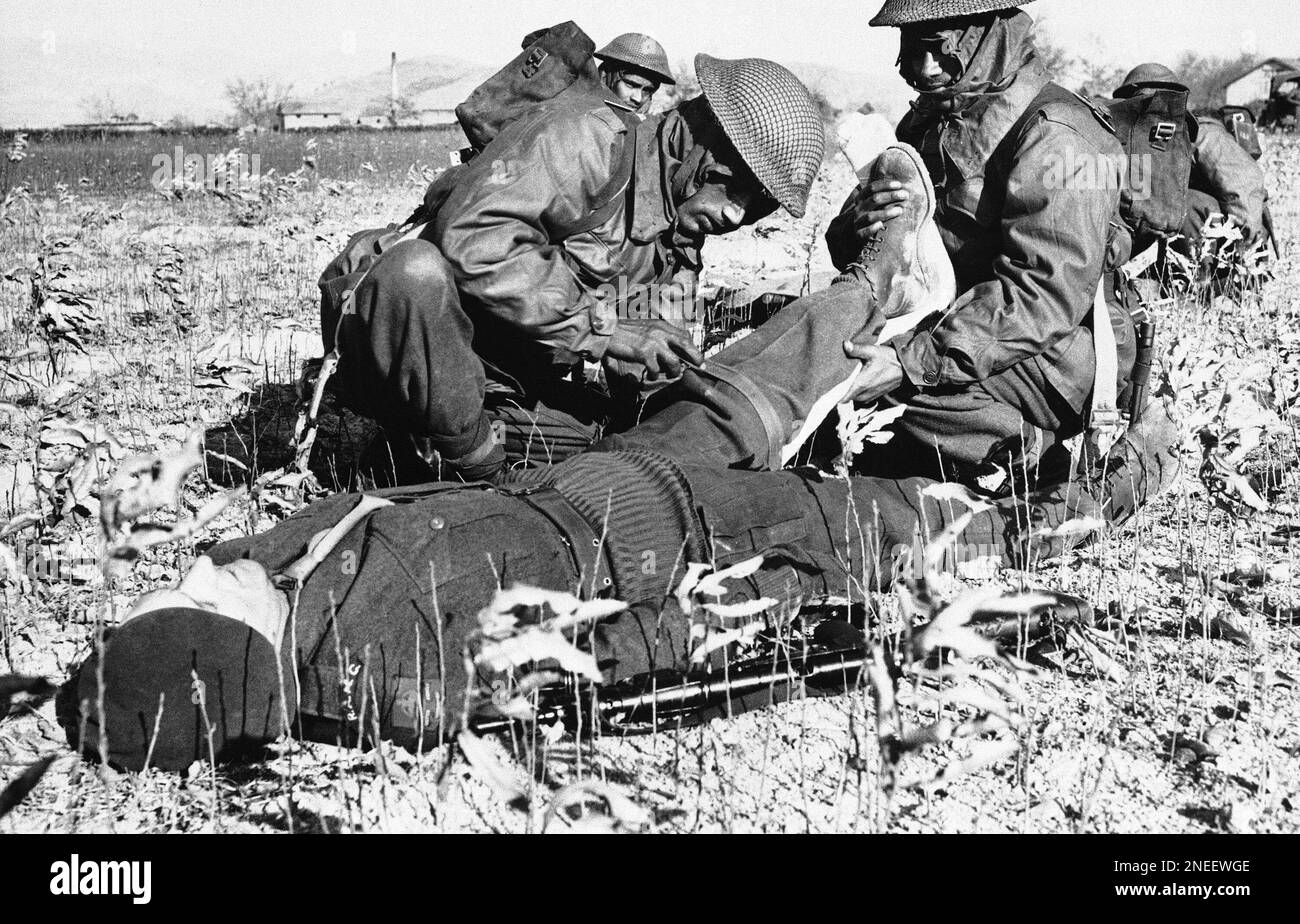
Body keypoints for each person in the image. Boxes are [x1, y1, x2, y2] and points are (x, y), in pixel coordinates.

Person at [67, 393, 1178, 773]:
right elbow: (583, 656)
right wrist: (744, 611)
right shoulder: (385, 673)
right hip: (662, 536)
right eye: (197, 599)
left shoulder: (265, 574)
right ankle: (1060, 522)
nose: (205, 577)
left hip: (612, 486)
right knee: (866, 523)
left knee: (836, 484)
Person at [607, 0, 1138, 484]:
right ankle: (661, 457)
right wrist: (859, 222)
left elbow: (1041, 297)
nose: (924, 66)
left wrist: (912, 363)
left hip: (1048, 359)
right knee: (801, 351)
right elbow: (861, 254)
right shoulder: (930, 120)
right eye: (913, 45)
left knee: (852, 396)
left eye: (939, 46)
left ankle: (1019, 454)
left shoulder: (1058, 136)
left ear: (989, 32)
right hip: (944, 328)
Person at [318, 53, 827, 484]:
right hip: (401, 335)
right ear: (694, 151)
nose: (736, 217)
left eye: (756, 205)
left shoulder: (680, 234)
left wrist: (684, 408)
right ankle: (476, 472)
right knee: (416, 270)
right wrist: (604, 333)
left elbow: (650, 353)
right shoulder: (586, 138)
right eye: (731, 188)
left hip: (503, 373)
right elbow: (472, 241)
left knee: (608, 445)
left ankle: (437, 447)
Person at [1110, 63, 1267, 268]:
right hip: (1157, 235)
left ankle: (1197, 286)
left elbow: (1244, 183)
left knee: (1187, 203)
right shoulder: (1125, 137)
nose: (1150, 102)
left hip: (1222, 246)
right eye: (1141, 97)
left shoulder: (1200, 133)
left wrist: (1244, 253)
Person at [594, 33, 676, 115]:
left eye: (647, 90)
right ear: (606, 77)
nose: (638, 99)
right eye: (631, 85)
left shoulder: (648, 125)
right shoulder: (583, 116)